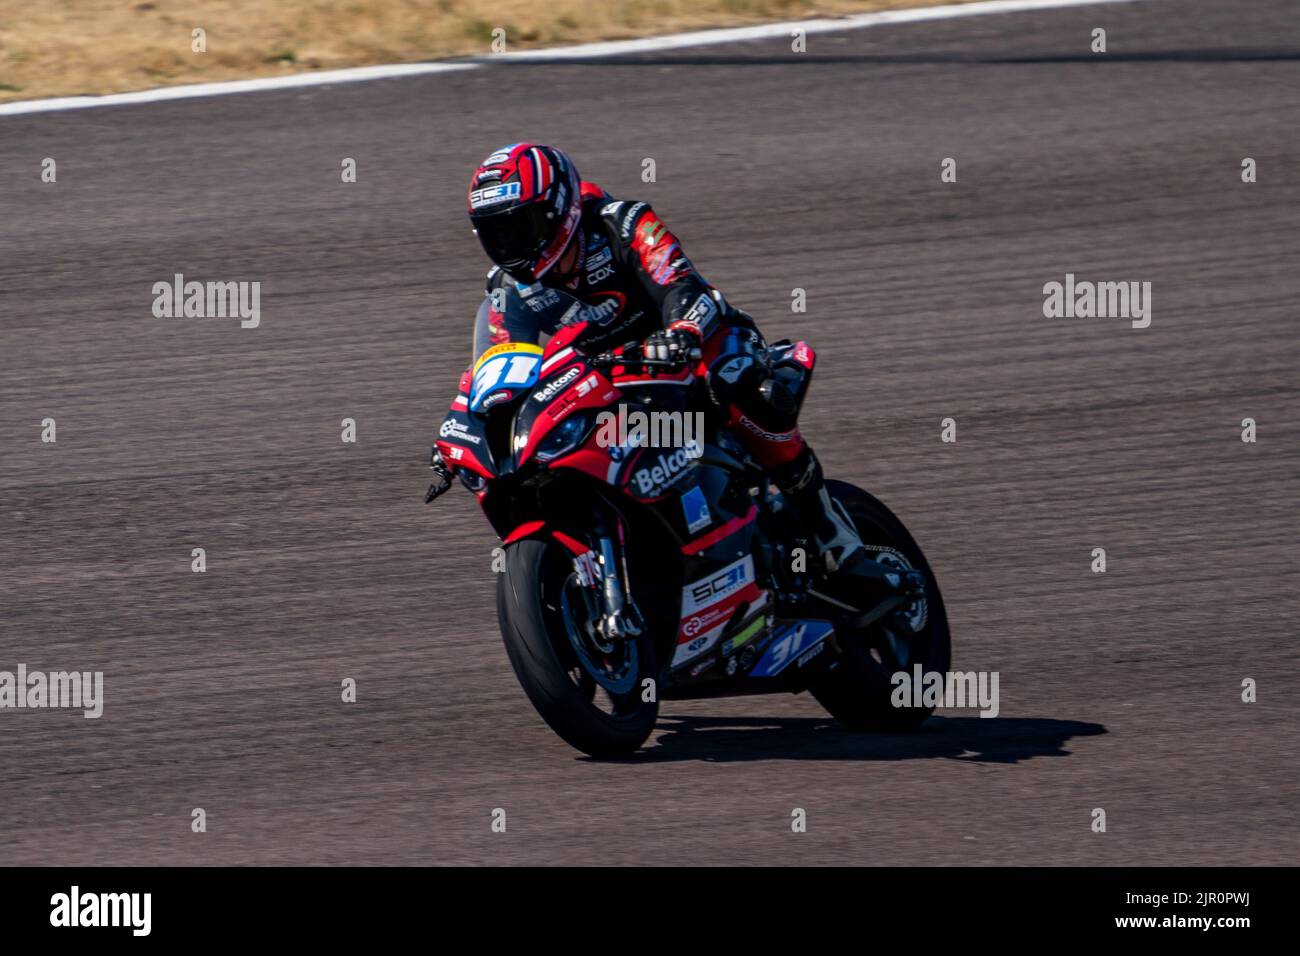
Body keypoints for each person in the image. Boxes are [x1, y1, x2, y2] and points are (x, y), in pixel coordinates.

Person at [456, 141, 902, 604]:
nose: (510, 244)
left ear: (559, 210)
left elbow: (680, 281)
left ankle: (836, 541)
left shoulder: (622, 223)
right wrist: (475, 424)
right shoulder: (509, 290)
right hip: (612, 385)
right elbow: (504, 362)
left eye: (519, 226)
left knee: (746, 388)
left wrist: (683, 333)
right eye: (496, 233)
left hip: (695, 343)